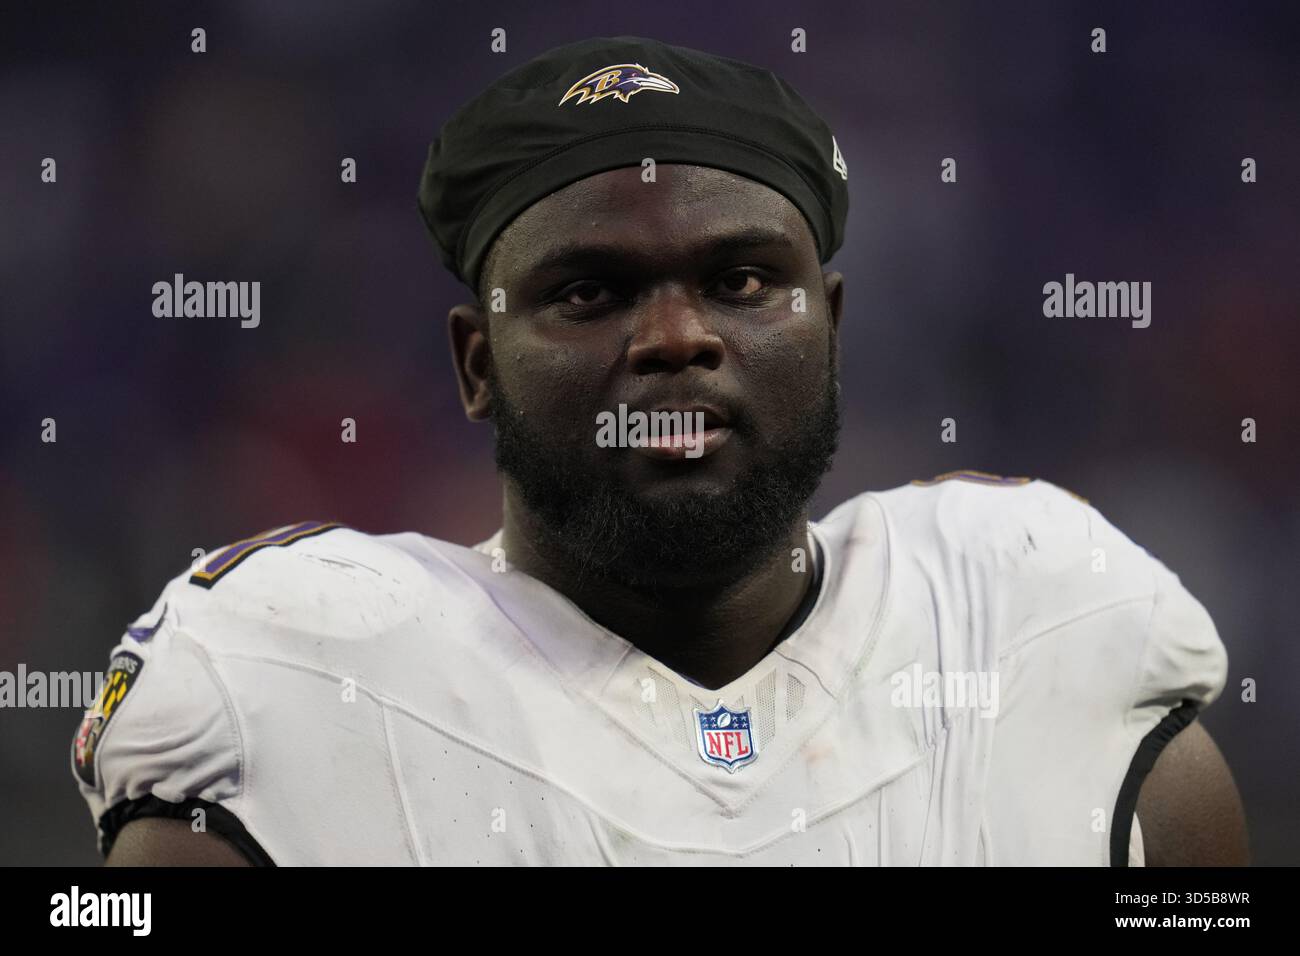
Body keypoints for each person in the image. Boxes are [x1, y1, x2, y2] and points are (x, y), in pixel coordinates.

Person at [74, 36, 1247, 866]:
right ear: (476, 364)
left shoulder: (1041, 651)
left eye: (739, 281)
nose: (676, 337)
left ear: (829, 328)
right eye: (591, 291)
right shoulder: (294, 688)